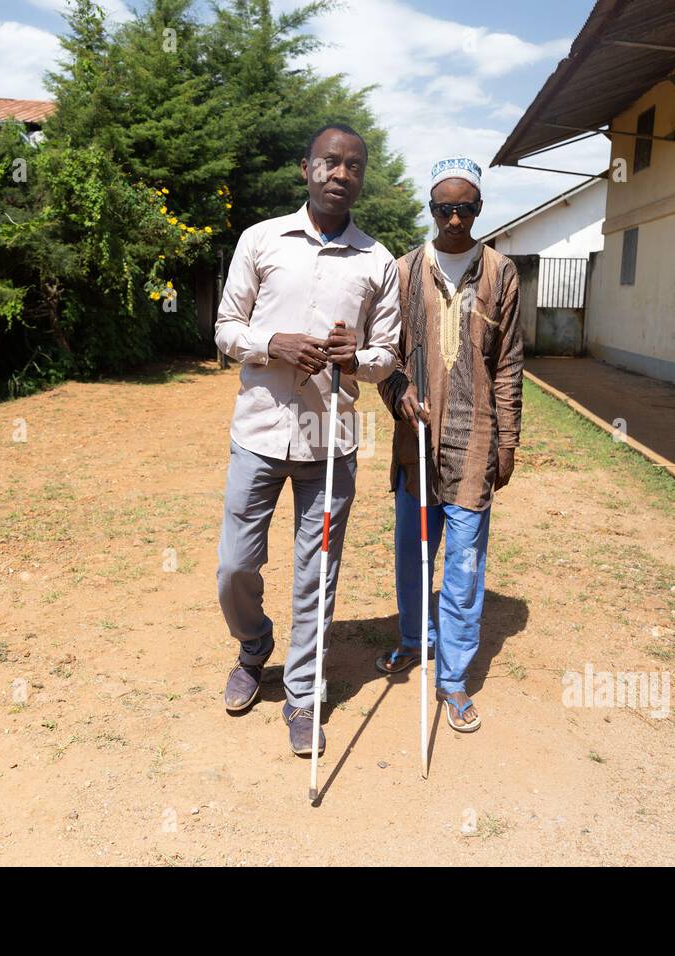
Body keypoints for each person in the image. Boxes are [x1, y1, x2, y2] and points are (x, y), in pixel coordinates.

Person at [214, 124, 400, 756]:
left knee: (316, 573)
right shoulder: (260, 240)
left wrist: (358, 358)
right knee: (235, 565)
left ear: (360, 178)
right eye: (328, 162)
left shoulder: (378, 261)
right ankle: (253, 646)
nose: (339, 173)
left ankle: (301, 694)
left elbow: (387, 356)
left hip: (332, 444)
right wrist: (274, 344)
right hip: (259, 432)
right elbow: (224, 327)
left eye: (352, 165)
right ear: (306, 169)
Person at [375, 156, 522, 733]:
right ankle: (416, 640)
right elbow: (381, 353)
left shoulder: (501, 273)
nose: (454, 218)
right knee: (413, 555)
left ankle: (454, 677)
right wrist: (398, 392)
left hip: (476, 442)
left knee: (463, 565)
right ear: (431, 210)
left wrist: (507, 441)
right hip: (416, 445)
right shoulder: (404, 270)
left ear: (479, 208)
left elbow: (508, 364)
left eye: (464, 207)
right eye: (443, 208)